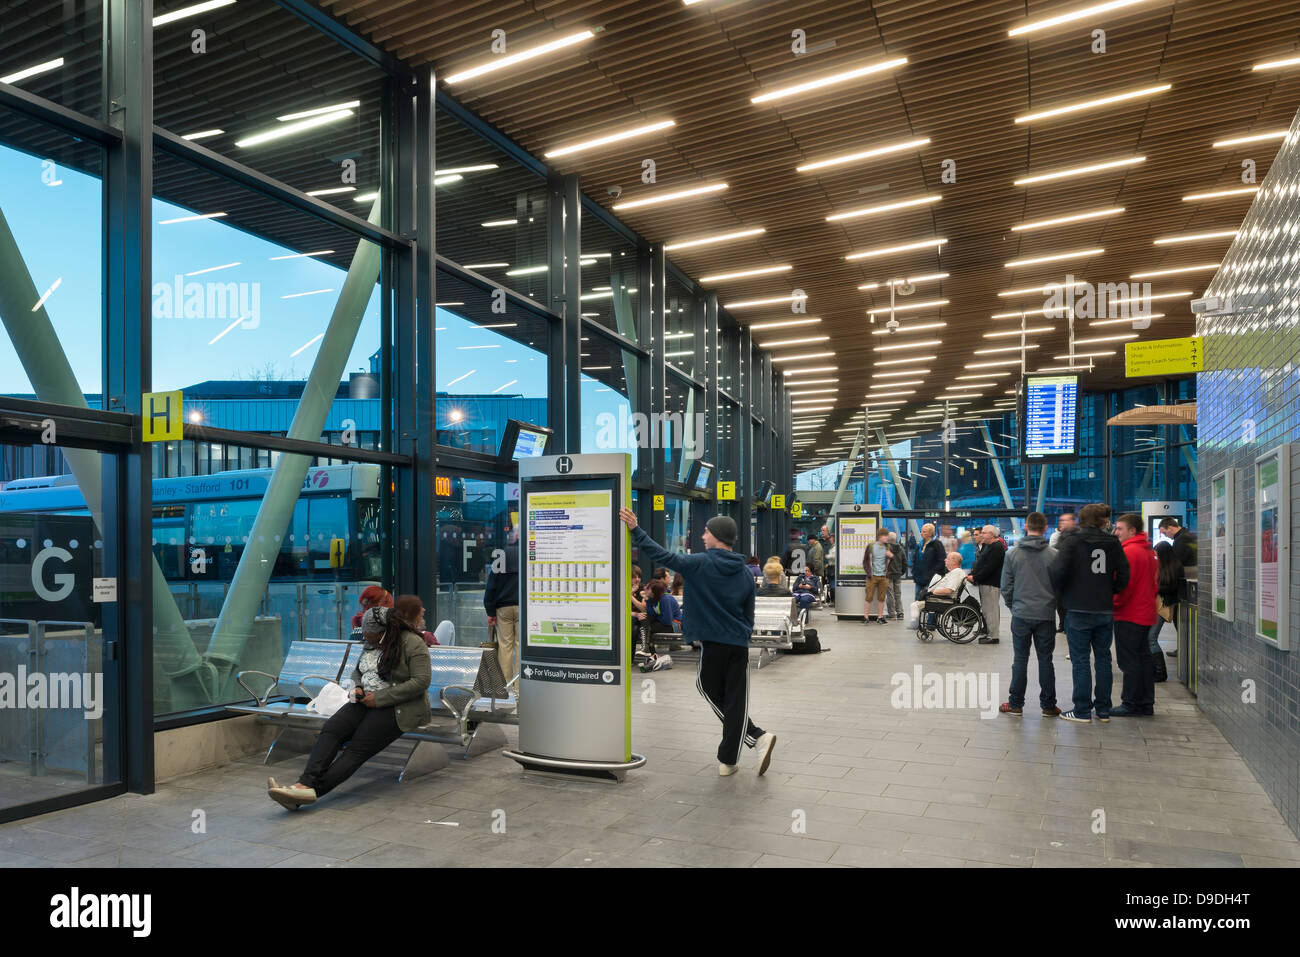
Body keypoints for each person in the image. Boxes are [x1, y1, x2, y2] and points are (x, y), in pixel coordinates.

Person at [620, 507, 777, 776]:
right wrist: (742, 634)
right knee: (734, 698)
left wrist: (636, 529)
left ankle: (755, 737)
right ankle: (732, 757)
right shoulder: (744, 573)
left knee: (707, 687)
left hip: (713, 641)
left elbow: (661, 555)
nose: (702, 536)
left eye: (706, 531)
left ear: (716, 536)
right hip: (738, 642)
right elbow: (749, 612)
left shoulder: (699, 563)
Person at [267, 604, 432, 809]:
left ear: (387, 631)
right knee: (331, 729)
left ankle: (307, 791)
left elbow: (421, 682)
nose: (368, 639)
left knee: (356, 749)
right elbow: (358, 671)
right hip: (365, 701)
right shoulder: (372, 642)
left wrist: (379, 699)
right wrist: (358, 687)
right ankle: (303, 786)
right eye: (366, 635)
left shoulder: (413, 644)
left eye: (372, 635)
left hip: (398, 707)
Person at [1050, 503, 1130, 723]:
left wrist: (1065, 594)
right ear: (1102, 521)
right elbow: (1124, 574)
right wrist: (1109, 590)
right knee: (1103, 658)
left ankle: (1082, 709)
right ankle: (1103, 709)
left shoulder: (1072, 542)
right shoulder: (1113, 543)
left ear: (1082, 520)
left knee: (1081, 660)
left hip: (1077, 608)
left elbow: (1057, 573)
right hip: (1104, 608)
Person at [998, 512, 1060, 717]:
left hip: (1021, 613)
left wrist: (1013, 605)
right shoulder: (1054, 554)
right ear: (1044, 528)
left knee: (1020, 659)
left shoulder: (1012, 554)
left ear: (1026, 526)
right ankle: (1048, 706)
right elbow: (1059, 586)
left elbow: (1006, 586)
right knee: (1046, 660)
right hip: (1045, 614)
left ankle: (1016, 704)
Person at [1112, 513, 1158, 716]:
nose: (1116, 532)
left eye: (1120, 528)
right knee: (1144, 659)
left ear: (1132, 530)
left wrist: (1113, 603)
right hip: (1145, 612)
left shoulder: (1129, 552)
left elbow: (1124, 586)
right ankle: (1146, 703)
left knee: (1128, 661)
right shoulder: (1147, 550)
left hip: (1129, 613)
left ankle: (1130, 703)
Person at [483, 526, 521, 684]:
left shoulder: (502, 554)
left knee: (505, 646)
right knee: (521, 647)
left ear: (515, 536)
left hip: (502, 608)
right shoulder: (530, 554)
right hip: (523, 608)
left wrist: (490, 611)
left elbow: (491, 585)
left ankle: (505, 686)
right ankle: (520, 686)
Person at [968, 525, 1006, 644]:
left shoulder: (997, 547)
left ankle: (993, 636)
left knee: (991, 610)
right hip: (985, 582)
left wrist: (975, 577)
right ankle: (990, 632)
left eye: (984, 533)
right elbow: (980, 564)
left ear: (991, 534)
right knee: (987, 609)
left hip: (991, 583)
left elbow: (989, 567)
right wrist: (973, 575)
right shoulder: (987, 546)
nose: (981, 535)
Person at [1151, 541, 1183, 679]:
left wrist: (1154, 587)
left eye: (1157, 554)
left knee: (1151, 638)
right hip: (1161, 605)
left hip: (1163, 605)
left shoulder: (1173, 568)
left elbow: (1170, 588)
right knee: (1150, 638)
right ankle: (1156, 670)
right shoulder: (1169, 566)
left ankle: (1160, 672)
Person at [912, 523, 947, 629]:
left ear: (930, 533)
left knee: (931, 601)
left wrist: (933, 574)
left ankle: (931, 623)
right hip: (919, 578)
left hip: (931, 579)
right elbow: (915, 559)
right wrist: (914, 572)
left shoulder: (937, 544)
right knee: (917, 600)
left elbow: (941, 561)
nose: (922, 533)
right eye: (922, 531)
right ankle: (918, 622)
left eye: (924, 531)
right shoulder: (920, 544)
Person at [1049, 512, 1077, 633]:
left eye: (1066, 520)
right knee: (1060, 606)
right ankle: (1063, 625)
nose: (1063, 523)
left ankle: (1067, 626)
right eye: (1061, 520)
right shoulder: (1060, 538)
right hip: (1061, 581)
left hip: (1073, 581)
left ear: (1073, 522)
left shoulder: (1077, 538)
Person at [638, 579, 681, 652]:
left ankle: (647, 648)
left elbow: (667, 621)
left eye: (648, 588)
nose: (645, 588)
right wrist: (647, 599)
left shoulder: (665, 599)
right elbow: (650, 614)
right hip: (664, 623)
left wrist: (656, 617)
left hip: (675, 624)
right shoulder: (653, 599)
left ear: (654, 592)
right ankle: (648, 648)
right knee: (644, 620)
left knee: (646, 627)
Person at [863, 528, 893, 623]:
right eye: (885, 535)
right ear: (880, 536)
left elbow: (892, 561)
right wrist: (868, 572)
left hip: (883, 576)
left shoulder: (887, 547)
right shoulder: (871, 547)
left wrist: (891, 557)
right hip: (872, 576)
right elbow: (865, 561)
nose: (887, 538)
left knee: (882, 597)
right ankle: (866, 617)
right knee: (869, 597)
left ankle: (880, 617)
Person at [885, 530, 906, 620]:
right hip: (897, 574)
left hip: (888, 575)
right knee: (898, 594)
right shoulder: (900, 548)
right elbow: (904, 561)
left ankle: (891, 614)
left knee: (890, 595)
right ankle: (900, 613)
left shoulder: (886, 549)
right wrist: (902, 572)